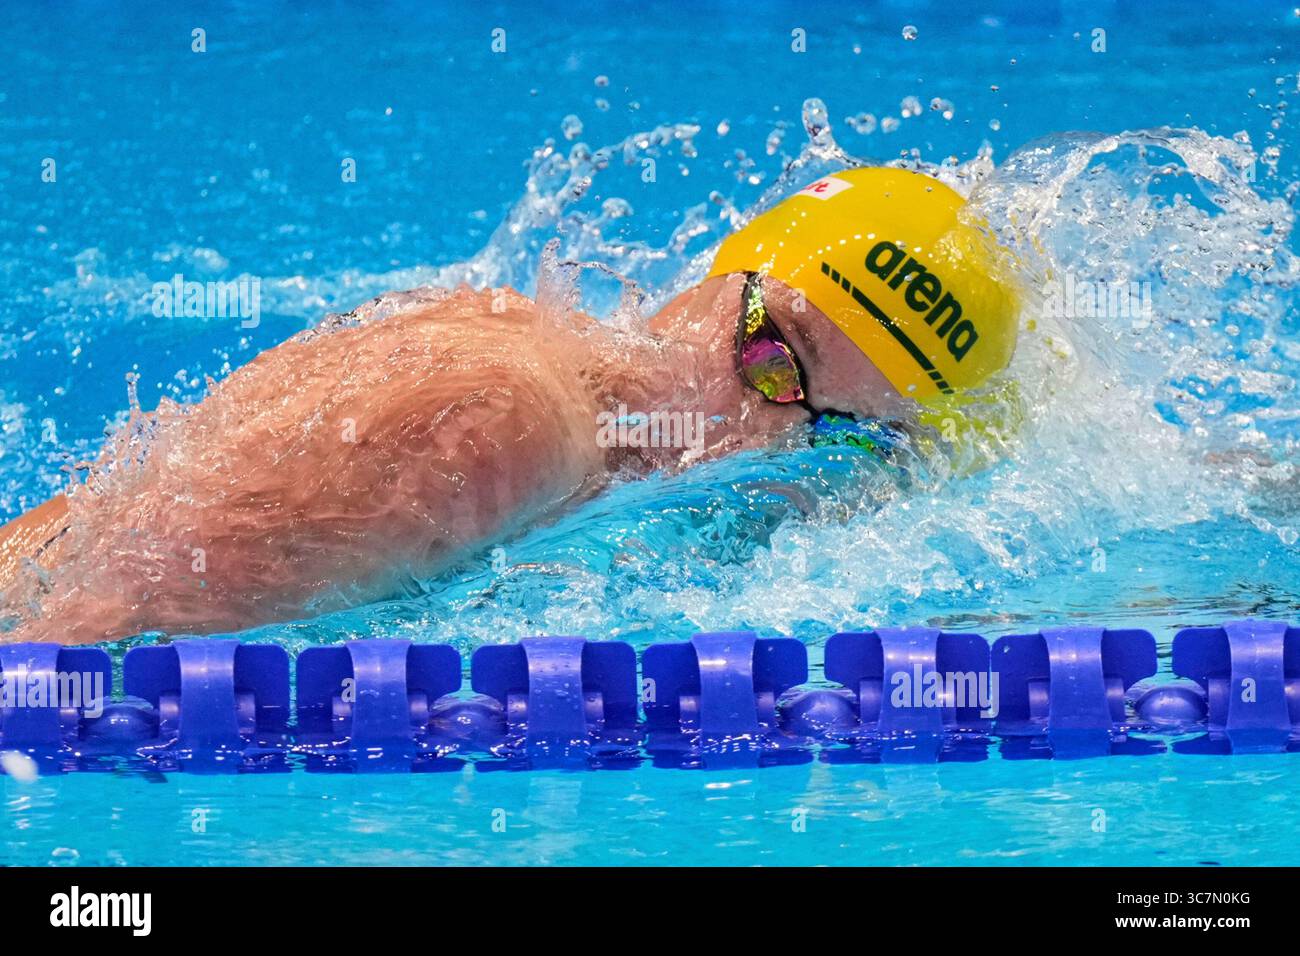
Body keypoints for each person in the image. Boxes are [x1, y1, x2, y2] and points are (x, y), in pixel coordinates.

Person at [0, 167, 1019, 645]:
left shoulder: (639, 447)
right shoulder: (502, 420)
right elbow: (98, 624)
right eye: (764, 353)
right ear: (725, 274)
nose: (756, 430)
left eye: (827, 428)